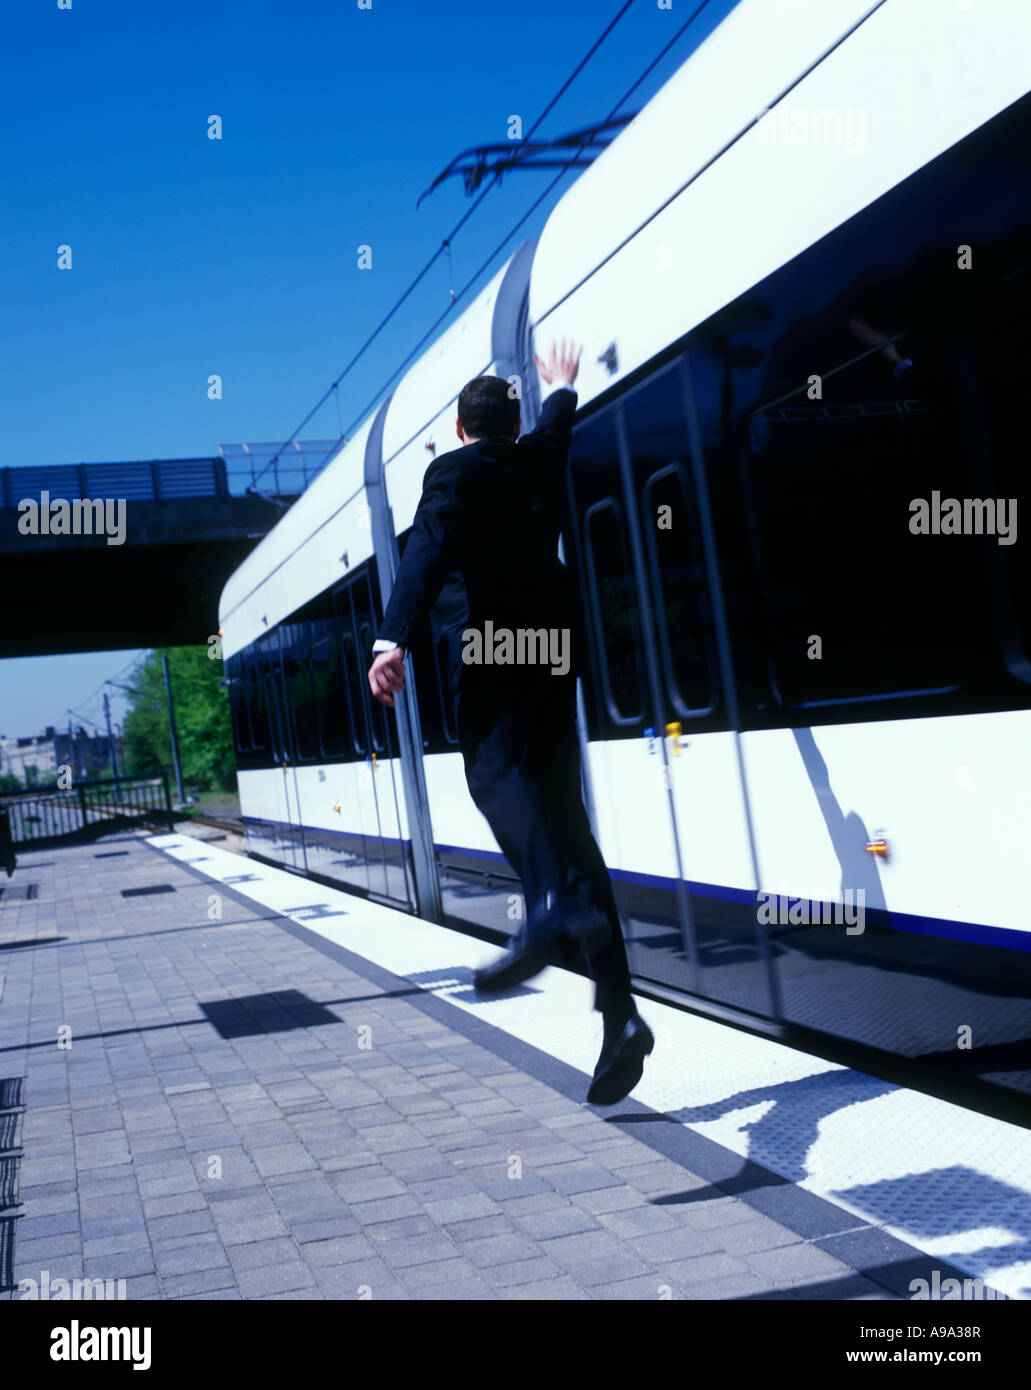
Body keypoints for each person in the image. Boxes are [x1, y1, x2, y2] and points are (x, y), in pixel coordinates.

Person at [368, 339, 653, 1105]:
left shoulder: (451, 472)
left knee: (493, 773)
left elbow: (423, 557)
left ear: (460, 431)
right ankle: (618, 1013)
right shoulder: (538, 457)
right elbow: (555, 427)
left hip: (489, 652)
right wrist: (560, 388)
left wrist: (389, 640)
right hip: (552, 653)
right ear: (508, 423)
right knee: (566, 815)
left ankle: (551, 902)